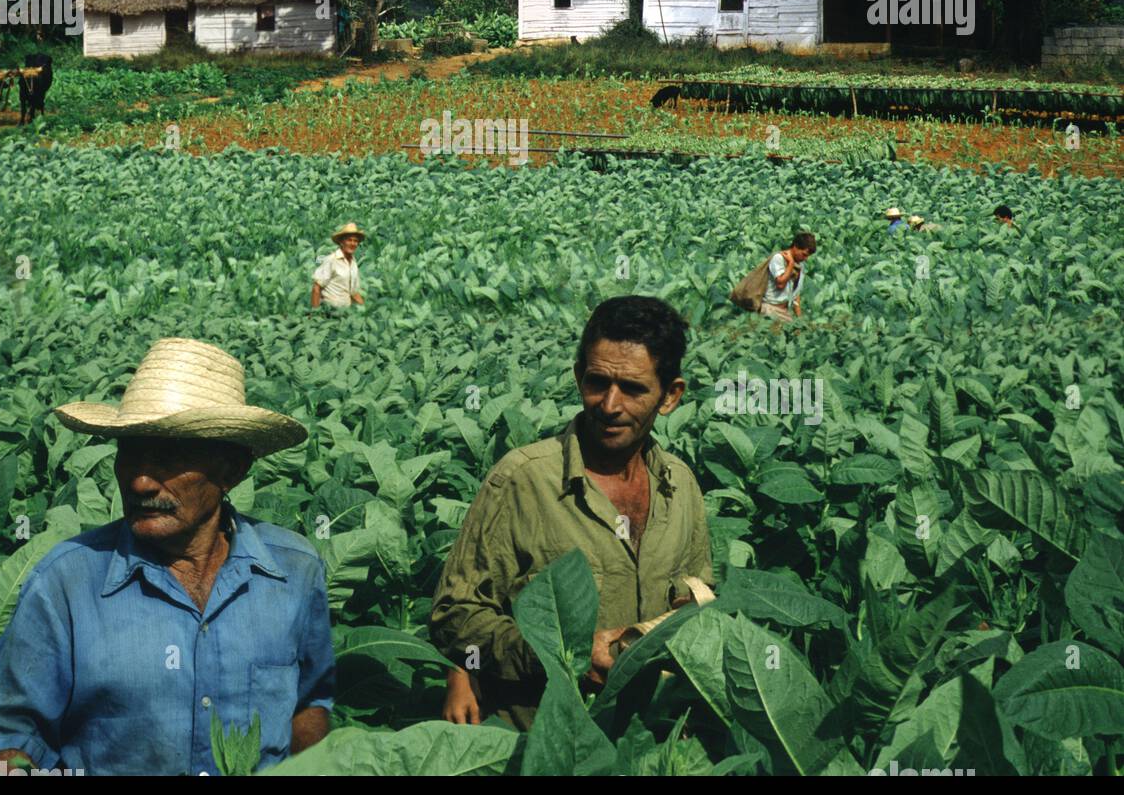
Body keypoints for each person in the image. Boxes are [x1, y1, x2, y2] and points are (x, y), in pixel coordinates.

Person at [0, 338, 334, 775]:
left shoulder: (295, 571)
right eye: (130, 455)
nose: (139, 483)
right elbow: (10, 740)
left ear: (231, 470)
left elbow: (310, 703)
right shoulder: (66, 583)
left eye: (168, 459)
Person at [429, 296, 713, 730]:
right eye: (597, 382)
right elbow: (456, 619)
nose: (610, 404)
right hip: (545, 741)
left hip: (649, 742)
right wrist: (564, 653)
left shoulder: (681, 486)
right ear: (579, 376)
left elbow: (697, 602)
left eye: (634, 389)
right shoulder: (523, 480)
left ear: (670, 396)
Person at [761, 231, 816, 322]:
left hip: (784, 312)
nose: (805, 259)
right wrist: (790, 264)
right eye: (804, 254)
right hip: (769, 310)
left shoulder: (800, 265)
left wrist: (799, 319)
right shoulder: (778, 258)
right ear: (795, 247)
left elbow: (796, 294)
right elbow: (780, 284)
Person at [311, 222, 366, 308]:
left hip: (345, 314)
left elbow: (353, 293)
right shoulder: (332, 260)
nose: (352, 243)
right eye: (349, 240)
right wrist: (314, 313)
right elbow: (316, 288)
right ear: (342, 242)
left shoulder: (353, 263)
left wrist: (366, 310)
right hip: (328, 313)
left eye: (355, 241)